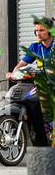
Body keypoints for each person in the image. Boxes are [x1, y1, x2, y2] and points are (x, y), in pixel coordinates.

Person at [17, 17, 53, 147]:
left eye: (42, 30)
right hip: (42, 84)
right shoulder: (35, 47)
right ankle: (40, 139)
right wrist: (13, 72)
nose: (38, 33)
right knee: (32, 101)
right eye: (36, 31)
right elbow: (21, 64)